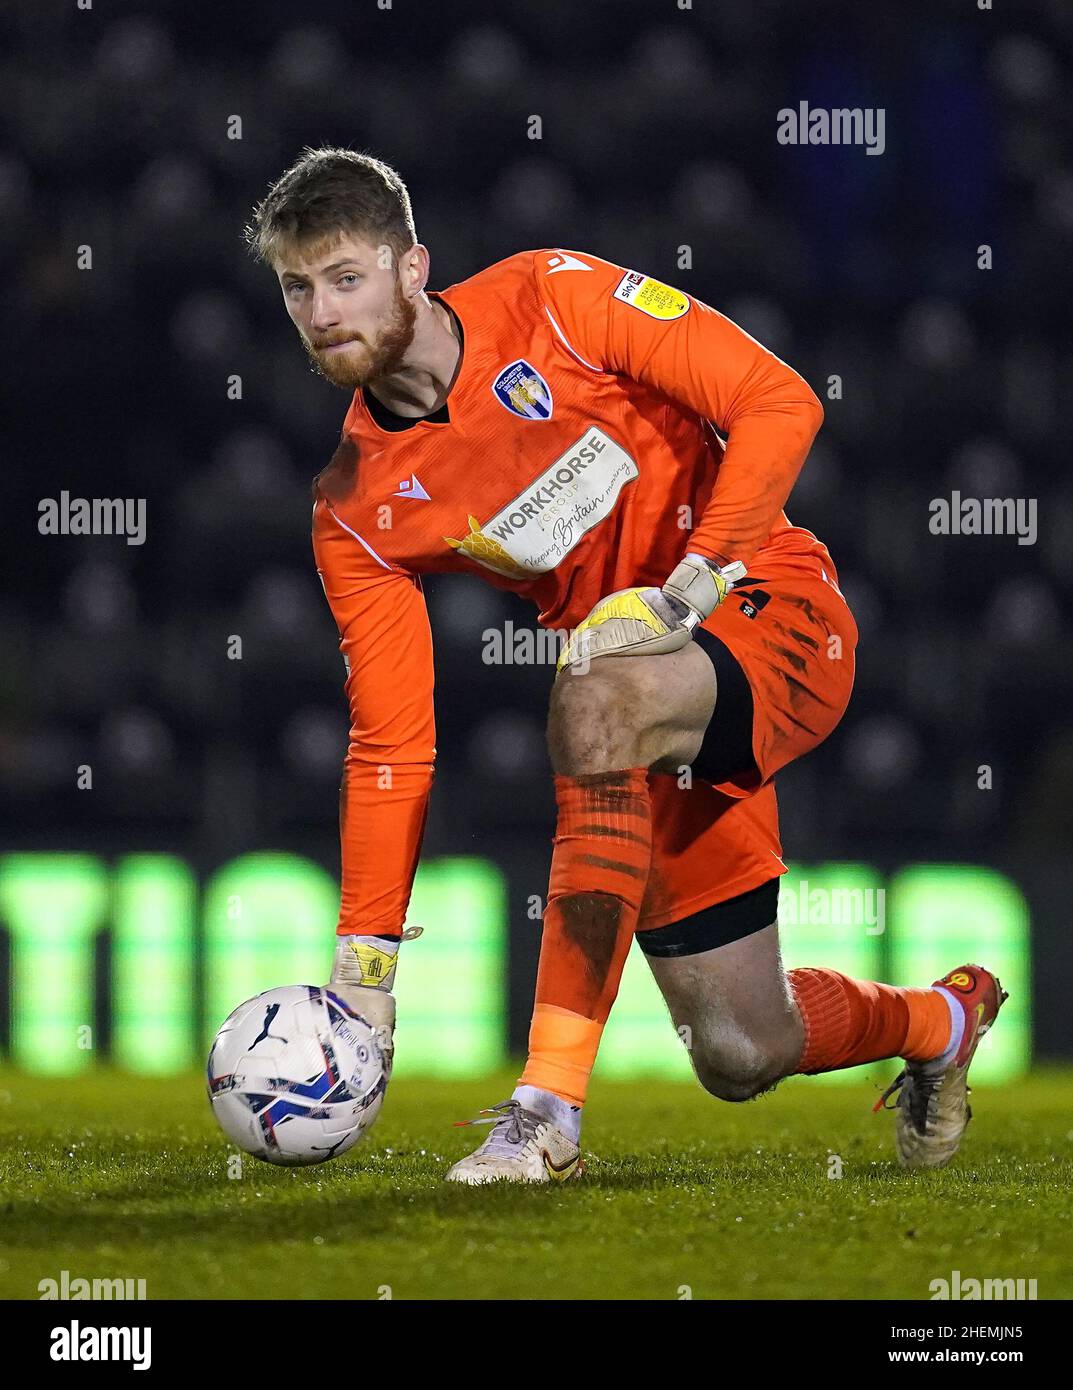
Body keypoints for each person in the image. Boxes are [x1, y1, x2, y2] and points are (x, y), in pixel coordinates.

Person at [246, 147, 1006, 1184]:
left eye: (346, 277)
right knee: (740, 1049)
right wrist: (365, 964)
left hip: (767, 605)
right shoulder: (356, 506)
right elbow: (391, 743)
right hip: (647, 710)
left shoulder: (552, 299)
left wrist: (687, 587)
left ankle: (543, 1110)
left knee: (589, 695)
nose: (322, 310)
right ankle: (941, 1021)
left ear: (411, 267)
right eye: (298, 288)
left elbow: (781, 403)